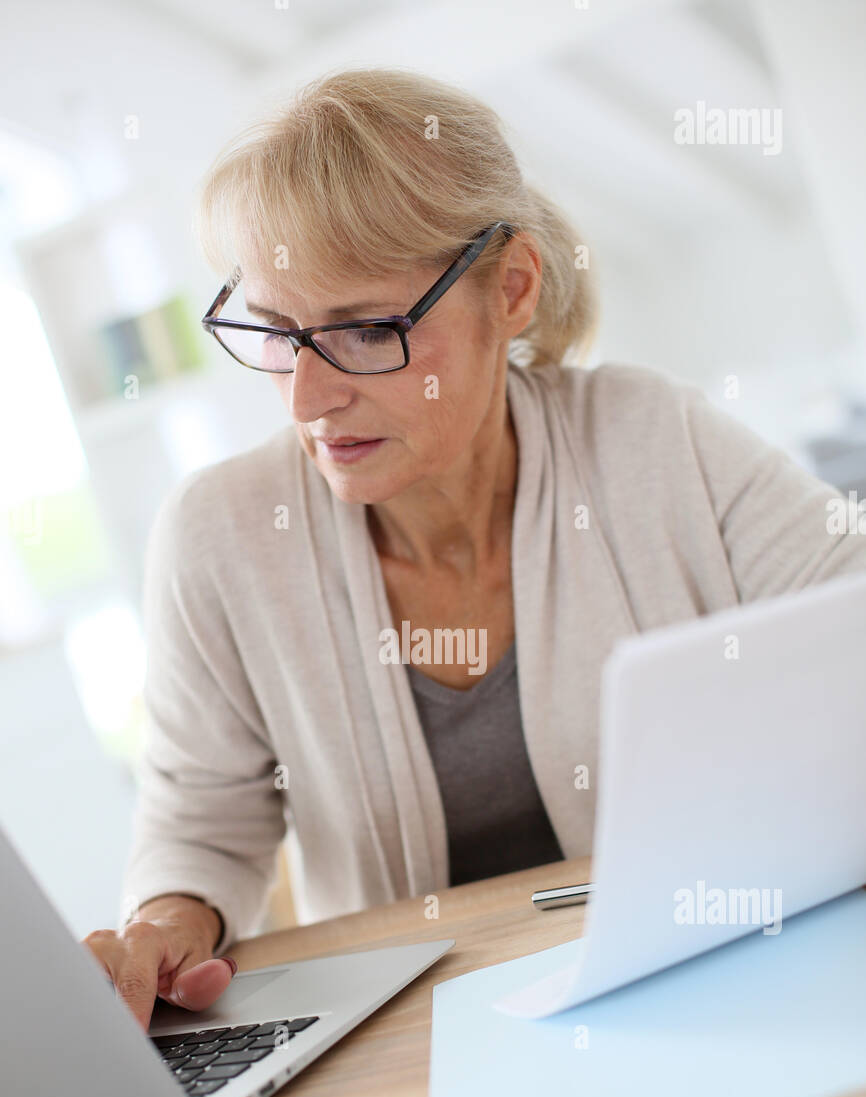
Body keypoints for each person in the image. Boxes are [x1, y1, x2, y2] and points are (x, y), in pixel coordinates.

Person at [84, 67, 866, 1029]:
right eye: (278, 334)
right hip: (403, 1046)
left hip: (703, 992)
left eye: (365, 331)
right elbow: (201, 825)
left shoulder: (658, 443)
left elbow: (850, 625)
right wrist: (166, 922)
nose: (307, 398)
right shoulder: (218, 538)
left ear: (513, 289)